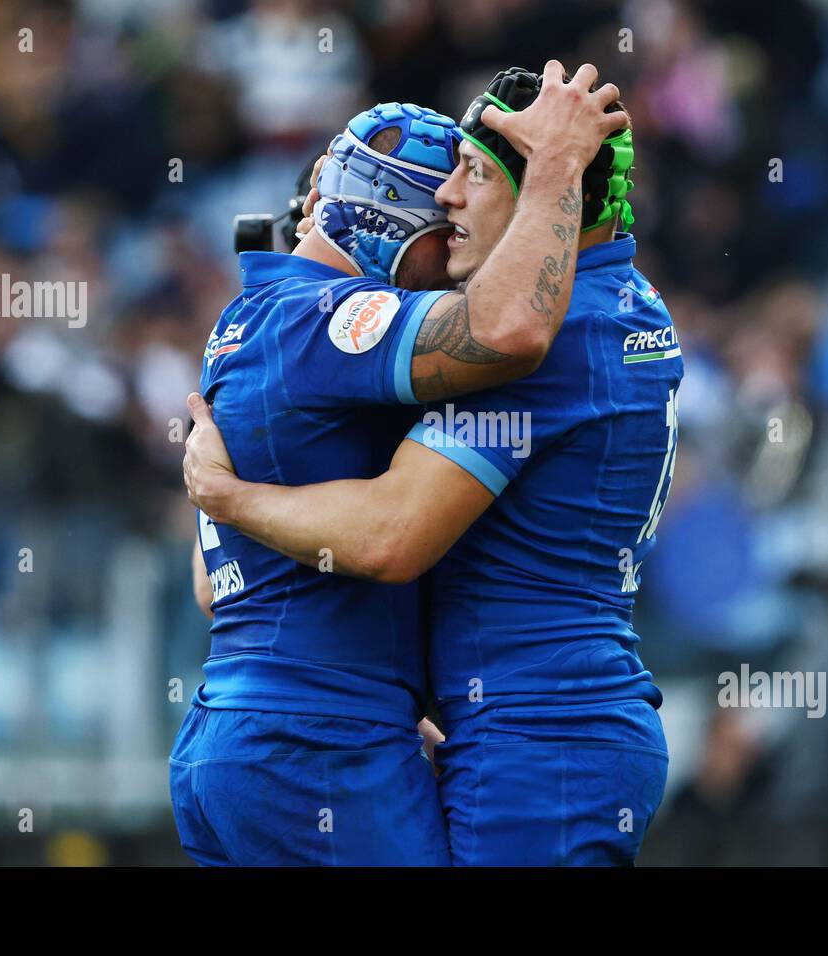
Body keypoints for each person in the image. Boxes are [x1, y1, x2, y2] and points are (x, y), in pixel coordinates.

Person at [183, 66, 680, 865]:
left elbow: (388, 535)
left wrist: (225, 496)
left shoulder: (550, 338)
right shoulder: (623, 302)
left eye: (474, 174)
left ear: (544, 207)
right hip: (381, 734)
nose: (449, 200)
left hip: (527, 736)